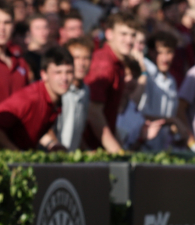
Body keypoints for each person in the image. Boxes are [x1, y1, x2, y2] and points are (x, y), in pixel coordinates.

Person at [0, 45, 75, 151]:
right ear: (43, 74)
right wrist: (17, 155)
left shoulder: (55, 100)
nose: (64, 78)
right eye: (58, 72)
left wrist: (52, 144)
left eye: (69, 72)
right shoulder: (30, 98)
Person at [83, 12, 134, 153]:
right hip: (89, 151)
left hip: (99, 149)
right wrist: (117, 151)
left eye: (132, 35)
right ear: (109, 34)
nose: (129, 40)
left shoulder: (118, 63)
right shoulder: (104, 64)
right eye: (123, 34)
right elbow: (93, 111)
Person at [138, 31, 187, 151]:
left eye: (169, 52)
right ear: (151, 52)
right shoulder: (146, 74)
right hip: (143, 146)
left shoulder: (172, 80)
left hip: (163, 147)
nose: (165, 58)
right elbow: (139, 114)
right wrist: (172, 121)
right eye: (159, 52)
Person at [55, 37, 93, 151]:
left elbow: (75, 131)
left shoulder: (85, 91)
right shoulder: (56, 89)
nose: (81, 63)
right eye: (76, 58)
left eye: (86, 58)